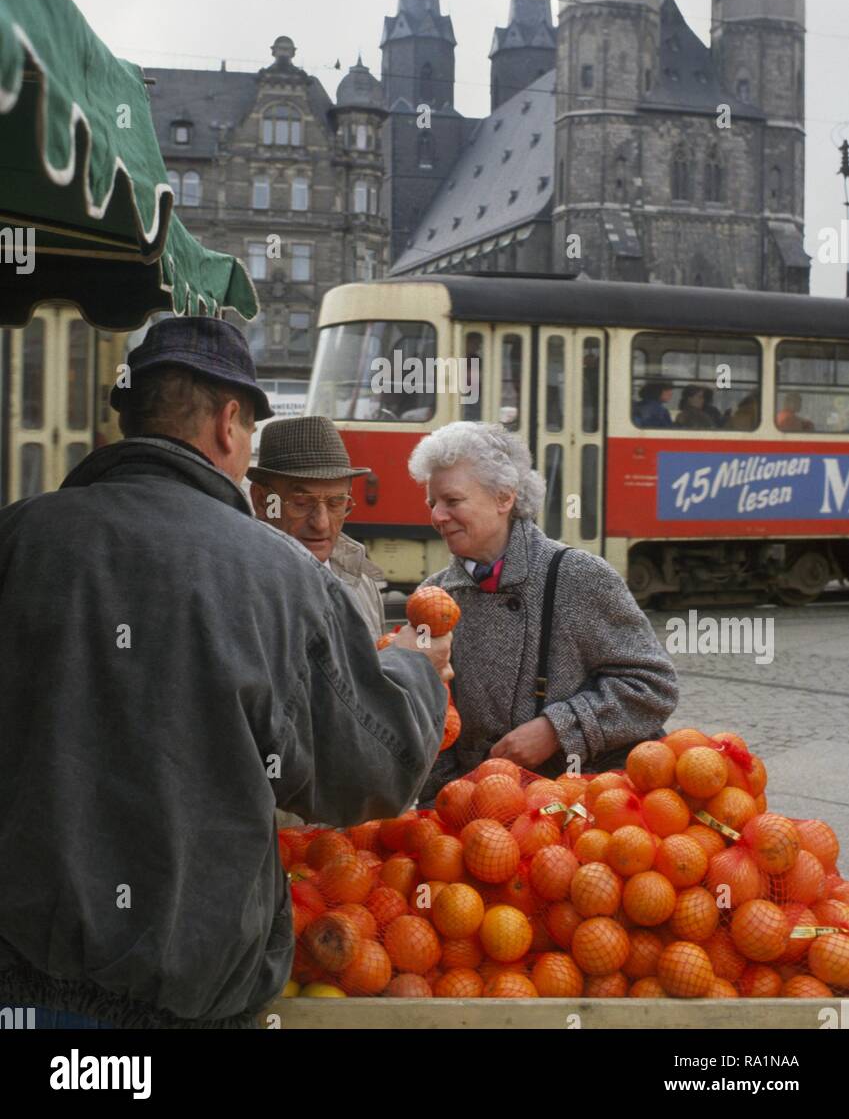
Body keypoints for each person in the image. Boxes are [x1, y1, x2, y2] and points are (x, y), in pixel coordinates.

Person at [0, 318, 448, 1030]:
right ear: (228, 421)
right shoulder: (276, 574)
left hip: (20, 978)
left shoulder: (19, 536)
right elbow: (369, 771)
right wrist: (416, 674)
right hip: (184, 990)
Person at [407, 422, 678, 801]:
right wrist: (449, 800)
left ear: (504, 498)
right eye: (432, 504)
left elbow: (653, 687)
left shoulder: (578, 576)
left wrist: (557, 730)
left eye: (452, 501)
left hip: (584, 808)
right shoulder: (430, 598)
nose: (437, 516)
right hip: (479, 818)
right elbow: (431, 721)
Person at [248, 415, 384, 642]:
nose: (321, 523)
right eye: (302, 503)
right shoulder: (243, 589)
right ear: (263, 501)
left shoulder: (362, 584)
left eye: (337, 503)